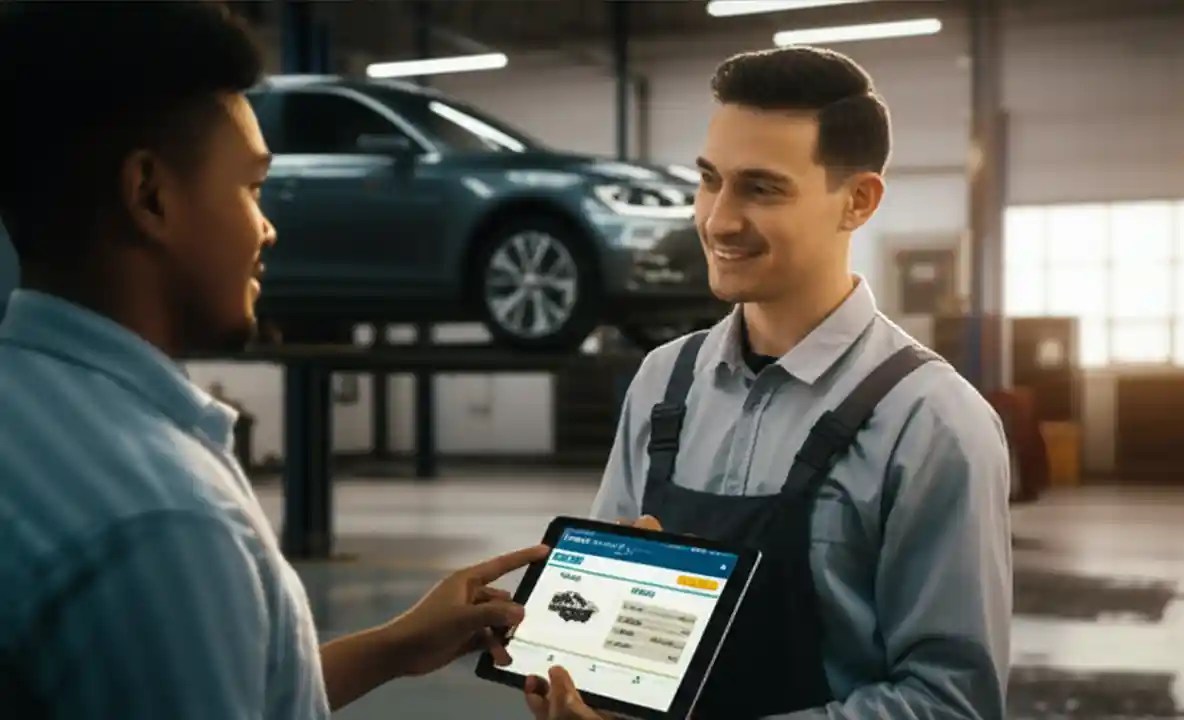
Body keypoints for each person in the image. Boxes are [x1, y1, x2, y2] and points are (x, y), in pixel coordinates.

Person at [0, 4, 545, 717]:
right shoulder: (165, 523)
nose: (268, 227)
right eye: (252, 187)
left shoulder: (28, 409)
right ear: (150, 195)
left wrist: (394, 646)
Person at [524, 47, 1012, 720]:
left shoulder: (930, 422)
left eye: (761, 188)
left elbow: (952, 703)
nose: (718, 219)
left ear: (858, 201)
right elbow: (607, 632)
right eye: (708, 180)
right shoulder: (664, 383)